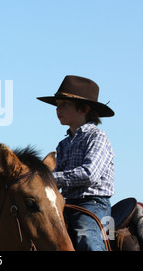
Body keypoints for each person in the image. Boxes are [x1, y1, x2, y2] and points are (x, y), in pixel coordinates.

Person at [37, 75, 115, 251]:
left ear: (84, 108)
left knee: (86, 237)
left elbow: (89, 174)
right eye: (57, 104)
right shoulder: (63, 144)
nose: (58, 109)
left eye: (64, 104)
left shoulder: (97, 137)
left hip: (93, 203)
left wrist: (48, 178)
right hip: (67, 203)